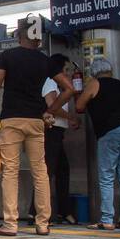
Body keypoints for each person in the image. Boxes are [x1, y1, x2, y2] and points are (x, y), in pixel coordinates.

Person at [0, 17, 52, 236]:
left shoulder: (8, 56)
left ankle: (10, 224)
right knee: (40, 172)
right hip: (36, 122)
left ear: (19, 35)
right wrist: (51, 110)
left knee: (10, 172)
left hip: (12, 120)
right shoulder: (44, 60)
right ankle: (43, 224)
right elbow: (66, 87)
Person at [76, 56, 120, 230]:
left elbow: (79, 106)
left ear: (94, 73)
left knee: (106, 176)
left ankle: (107, 219)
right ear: (110, 71)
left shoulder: (94, 84)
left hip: (110, 131)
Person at [41, 53, 78, 224]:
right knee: (48, 171)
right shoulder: (49, 82)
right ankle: (39, 211)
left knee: (60, 170)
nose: (68, 72)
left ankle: (62, 210)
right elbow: (52, 104)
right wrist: (71, 117)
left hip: (57, 131)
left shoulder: (58, 85)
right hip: (51, 130)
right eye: (66, 69)